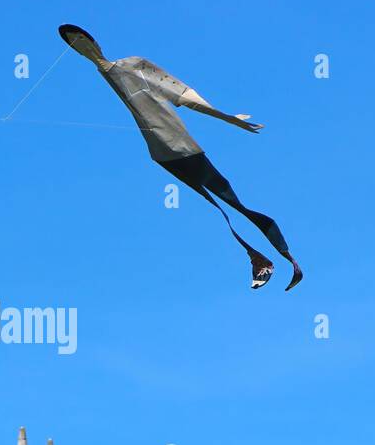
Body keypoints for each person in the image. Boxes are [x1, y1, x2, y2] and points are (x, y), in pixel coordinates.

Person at [58, 24, 302, 291]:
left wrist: (226, 117)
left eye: (81, 41)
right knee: (215, 203)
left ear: (94, 42)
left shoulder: (131, 65)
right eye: (74, 46)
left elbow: (181, 94)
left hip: (179, 142)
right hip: (161, 151)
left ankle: (286, 257)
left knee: (230, 199)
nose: (80, 47)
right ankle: (258, 257)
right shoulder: (104, 72)